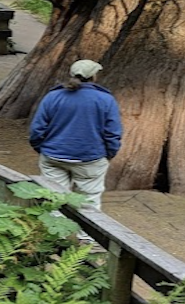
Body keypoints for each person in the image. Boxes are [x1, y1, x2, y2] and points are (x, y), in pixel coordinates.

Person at [28, 59, 122, 210]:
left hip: (53, 156)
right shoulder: (105, 99)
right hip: (90, 158)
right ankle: (86, 234)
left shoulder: (53, 96)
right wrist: (109, 154)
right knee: (89, 200)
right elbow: (112, 133)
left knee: (54, 197)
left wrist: (42, 148)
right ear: (94, 76)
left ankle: (56, 232)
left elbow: (37, 129)